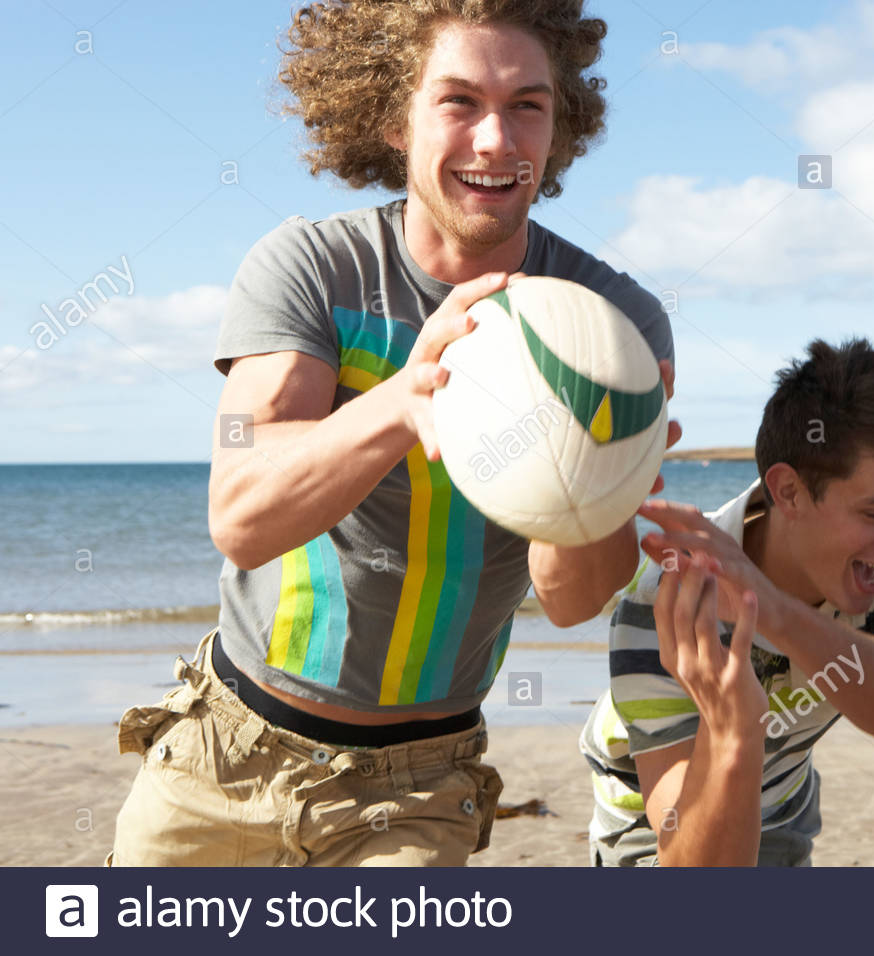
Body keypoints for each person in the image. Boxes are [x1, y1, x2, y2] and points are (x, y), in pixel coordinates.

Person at [110, 0, 675, 867]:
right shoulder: (308, 268)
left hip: (415, 786)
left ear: (561, 125)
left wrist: (600, 481)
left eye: (528, 104)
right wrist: (407, 396)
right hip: (223, 751)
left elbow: (568, 600)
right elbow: (241, 511)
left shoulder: (613, 325)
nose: (496, 138)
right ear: (392, 116)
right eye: (458, 102)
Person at [581, 339, 874, 866]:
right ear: (788, 491)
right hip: (656, 831)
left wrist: (772, 611)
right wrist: (735, 731)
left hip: (784, 808)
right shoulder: (665, 605)